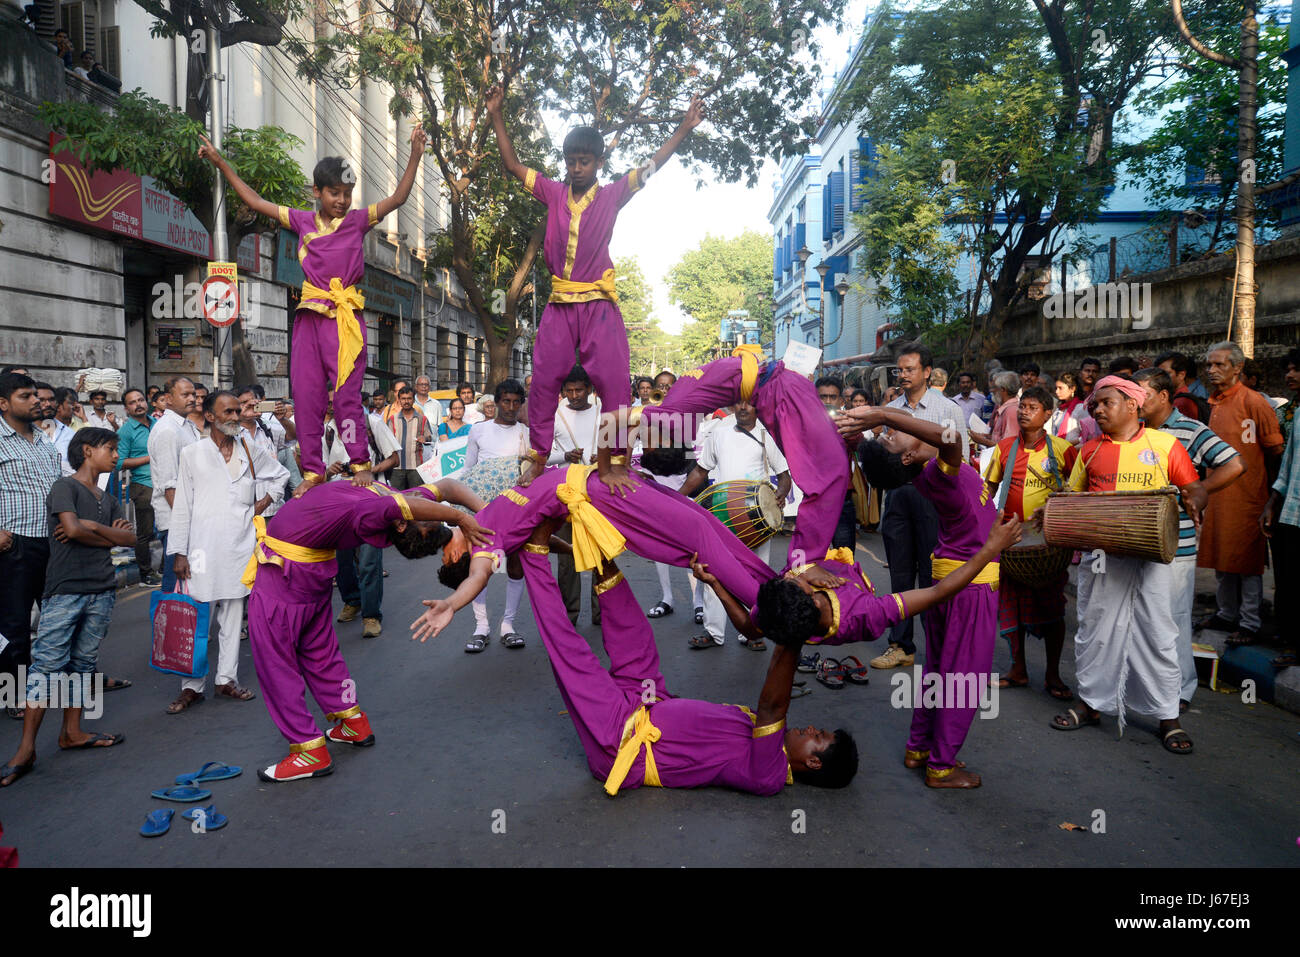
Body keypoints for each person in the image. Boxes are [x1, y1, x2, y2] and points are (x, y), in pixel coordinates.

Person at [510, 515, 855, 795]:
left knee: (572, 657)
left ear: (813, 763)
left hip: (622, 739)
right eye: (819, 730)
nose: (811, 728)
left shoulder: (771, 773)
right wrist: (715, 582)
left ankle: (534, 555)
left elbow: (773, 706)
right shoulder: (771, 741)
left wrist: (795, 628)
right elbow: (751, 631)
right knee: (635, 634)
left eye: (818, 737)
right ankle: (593, 550)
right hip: (648, 701)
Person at [485, 82, 703, 485]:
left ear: (599, 162)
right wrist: (497, 115)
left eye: (584, 161)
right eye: (570, 161)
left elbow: (653, 166)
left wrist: (684, 129)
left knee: (615, 384)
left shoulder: (613, 195)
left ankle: (616, 461)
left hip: (599, 306)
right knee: (545, 379)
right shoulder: (553, 193)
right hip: (561, 304)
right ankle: (537, 455)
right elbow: (514, 165)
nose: (576, 168)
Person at [199, 127, 427, 496]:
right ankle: (312, 470)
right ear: (317, 192)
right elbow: (256, 202)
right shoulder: (302, 220)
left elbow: (398, 198)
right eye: (334, 193)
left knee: (347, 397)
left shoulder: (358, 220)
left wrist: (415, 154)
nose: (341, 200)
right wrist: (220, 163)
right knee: (306, 395)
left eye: (347, 194)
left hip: (344, 320)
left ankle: (360, 461)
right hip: (309, 315)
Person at [246, 478, 490, 781]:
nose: (433, 509)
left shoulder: (379, 510)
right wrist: (486, 517)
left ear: (402, 524)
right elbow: (450, 487)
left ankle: (308, 751)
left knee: (275, 663)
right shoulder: (400, 498)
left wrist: (462, 518)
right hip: (311, 572)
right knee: (320, 652)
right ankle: (352, 723)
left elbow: (415, 505)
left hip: (285, 577)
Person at [834, 406, 1022, 787]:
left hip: (949, 581)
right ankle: (942, 766)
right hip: (971, 589)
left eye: (889, 431)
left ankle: (919, 747)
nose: (891, 430)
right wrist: (879, 413)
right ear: (906, 457)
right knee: (964, 679)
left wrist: (881, 419)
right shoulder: (940, 473)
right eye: (890, 436)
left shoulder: (932, 474)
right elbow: (950, 437)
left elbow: (945, 439)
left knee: (938, 671)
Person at [1052, 375, 1206, 754]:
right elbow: (1074, 499)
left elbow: (1192, 487)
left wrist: (1194, 500)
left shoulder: (1165, 444)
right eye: (1094, 405)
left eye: (1106, 403)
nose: (1097, 409)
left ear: (1133, 405)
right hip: (1103, 556)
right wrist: (1052, 511)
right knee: (1096, 629)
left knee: (1158, 632)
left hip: (1152, 554)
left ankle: (1168, 715)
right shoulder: (1088, 451)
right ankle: (1090, 704)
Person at [599, 346, 854, 574]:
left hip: (779, 391)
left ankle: (805, 564)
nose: (643, 438)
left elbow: (609, 420)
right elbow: (627, 425)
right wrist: (622, 465)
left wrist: (609, 470)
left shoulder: (672, 415)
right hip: (777, 392)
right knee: (833, 464)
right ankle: (805, 562)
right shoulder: (678, 418)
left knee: (830, 473)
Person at [0, 428, 131, 787]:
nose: (116, 455)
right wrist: (102, 532)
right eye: (110, 448)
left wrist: (90, 526)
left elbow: (131, 538)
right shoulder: (64, 487)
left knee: (84, 664)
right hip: (66, 589)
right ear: (88, 451)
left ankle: (71, 732)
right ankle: (25, 749)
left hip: (102, 589)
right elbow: (71, 530)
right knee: (47, 666)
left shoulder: (107, 497)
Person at [166, 392, 289, 714]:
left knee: (233, 615)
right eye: (228, 412)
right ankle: (191, 686)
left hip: (239, 545)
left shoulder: (250, 448)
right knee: (195, 619)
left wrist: (262, 505)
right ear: (210, 416)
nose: (235, 416)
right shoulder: (192, 453)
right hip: (200, 549)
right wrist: (179, 552)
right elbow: (182, 506)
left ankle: (226, 679)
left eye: (237, 411)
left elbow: (280, 476)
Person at [1134, 368, 1243, 710]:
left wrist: (1196, 491)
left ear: (1163, 396)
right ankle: (1141, 685)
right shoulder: (1132, 432)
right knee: (1139, 618)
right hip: (1135, 541)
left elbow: (1233, 464)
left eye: (1142, 395)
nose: (1135, 402)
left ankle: (1179, 691)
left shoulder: (1192, 430)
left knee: (1173, 619)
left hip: (1176, 542)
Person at [875, 342, 969, 670]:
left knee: (933, 575)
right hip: (899, 494)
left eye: (909, 369)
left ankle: (939, 649)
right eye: (899, 369)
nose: (902, 375)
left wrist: (926, 453)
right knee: (900, 572)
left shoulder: (947, 410)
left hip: (934, 497)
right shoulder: (892, 409)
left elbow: (964, 459)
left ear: (927, 372)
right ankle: (901, 645)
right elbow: (885, 450)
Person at [983, 385, 1078, 699]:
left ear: (1048, 414)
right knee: (1011, 609)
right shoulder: (1005, 448)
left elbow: (1077, 491)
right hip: (1011, 539)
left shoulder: (1063, 450)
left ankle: (1053, 675)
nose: (1024, 412)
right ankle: (1018, 669)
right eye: (1022, 407)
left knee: (1053, 609)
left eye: (1032, 408)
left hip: (1047, 542)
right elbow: (989, 488)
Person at [678, 401, 791, 650]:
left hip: (756, 516)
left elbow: (784, 474)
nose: (743, 408)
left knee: (755, 574)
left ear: (757, 408)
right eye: (739, 402)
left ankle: (752, 631)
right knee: (715, 570)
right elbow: (701, 469)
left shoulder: (764, 434)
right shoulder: (718, 432)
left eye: (749, 404)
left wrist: (781, 494)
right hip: (723, 513)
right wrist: (677, 496)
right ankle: (713, 631)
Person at [1196, 342, 1285, 647]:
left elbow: (1275, 450)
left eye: (1219, 365)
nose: (1212, 370)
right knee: (1223, 556)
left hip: (1248, 495)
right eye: (1209, 365)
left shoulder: (1255, 402)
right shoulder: (1216, 402)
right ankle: (1226, 614)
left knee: (1247, 562)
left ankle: (1249, 622)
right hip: (1219, 495)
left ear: (1237, 368)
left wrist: (1268, 490)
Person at [0, 373, 62, 721]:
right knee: (14, 624)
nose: (37, 401)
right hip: (14, 544)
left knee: (57, 619)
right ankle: (14, 694)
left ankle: (57, 684)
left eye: (36, 395)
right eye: (26, 396)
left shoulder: (43, 439)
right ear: (4, 403)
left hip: (51, 542)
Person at [462, 378, 530, 651]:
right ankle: (481, 628)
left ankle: (508, 626)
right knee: (481, 565)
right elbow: (467, 472)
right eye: (506, 402)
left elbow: (538, 464)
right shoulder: (478, 431)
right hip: (483, 508)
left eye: (516, 402)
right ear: (496, 402)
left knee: (515, 563)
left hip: (516, 508)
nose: (511, 407)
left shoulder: (526, 431)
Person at [330, 395, 401, 638]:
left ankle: (371, 615)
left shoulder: (372, 423)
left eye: (337, 400)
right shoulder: (326, 429)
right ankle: (352, 600)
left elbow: (394, 458)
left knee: (370, 560)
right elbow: (315, 467)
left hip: (371, 502)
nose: (333, 405)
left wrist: (369, 471)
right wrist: (330, 470)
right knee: (342, 561)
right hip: (338, 504)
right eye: (329, 402)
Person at [548, 366, 604, 627]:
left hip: (597, 489)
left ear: (589, 389)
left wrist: (602, 458)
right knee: (566, 557)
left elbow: (619, 446)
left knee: (601, 552)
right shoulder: (554, 414)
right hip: (565, 492)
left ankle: (602, 613)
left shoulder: (603, 411)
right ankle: (569, 616)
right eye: (569, 390)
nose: (574, 395)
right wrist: (564, 456)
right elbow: (540, 453)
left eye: (579, 390)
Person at [1261, 349, 1300, 669]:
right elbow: (1287, 466)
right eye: (1288, 369)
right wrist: (1273, 502)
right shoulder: (1295, 413)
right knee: (1288, 577)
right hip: (1291, 509)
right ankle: (1290, 638)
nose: (1290, 375)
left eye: (1296, 370)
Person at [145, 376, 200, 593]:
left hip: (190, 518)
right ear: (168, 399)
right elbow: (170, 487)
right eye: (185, 394)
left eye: (193, 394)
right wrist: (182, 533)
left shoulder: (186, 425)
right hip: (176, 522)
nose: (192, 399)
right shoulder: (168, 430)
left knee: (188, 586)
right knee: (174, 588)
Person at [116, 388, 159, 585]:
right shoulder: (125, 432)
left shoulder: (157, 423)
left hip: (163, 482)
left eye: (140, 400)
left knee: (168, 529)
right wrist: (148, 459)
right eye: (133, 402)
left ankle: (164, 570)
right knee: (145, 532)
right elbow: (118, 462)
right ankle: (146, 573)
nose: (138, 404)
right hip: (143, 485)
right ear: (126, 408)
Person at [384, 384, 433, 490]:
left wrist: (425, 439)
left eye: (409, 398)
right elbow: (387, 442)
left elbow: (429, 436)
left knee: (417, 497)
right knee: (397, 498)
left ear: (413, 400)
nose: (406, 401)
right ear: (399, 400)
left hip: (416, 467)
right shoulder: (392, 419)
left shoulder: (422, 419)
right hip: (396, 467)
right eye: (403, 399)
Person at [1156, 351, 1211, 423]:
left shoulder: (1182, 403)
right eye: (1158, 374)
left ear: (1181, 375)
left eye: (1166, 373)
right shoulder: (1173, 399)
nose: (1160, 378)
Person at [972, 371, 1020, 449]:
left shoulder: (1011, 411)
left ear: (1003, 390)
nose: (992, 391)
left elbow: (1008, 448)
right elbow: (1001, 439)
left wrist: (983, 441)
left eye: (995, 388)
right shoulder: (1004, 408)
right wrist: (987, 437)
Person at [47, 387, 79, 475]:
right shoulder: (28, 431)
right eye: (70, 403)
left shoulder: (71, 434)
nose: (73, 407)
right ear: (58, 406)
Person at [1049, 373, 1083, 444]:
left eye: (1060, 388)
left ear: (1072, 389)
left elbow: (1086, 436)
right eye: (1056, 388)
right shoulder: (1059, 409)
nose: (1057, 391)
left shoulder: (1081, 408)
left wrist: (1067, 445)